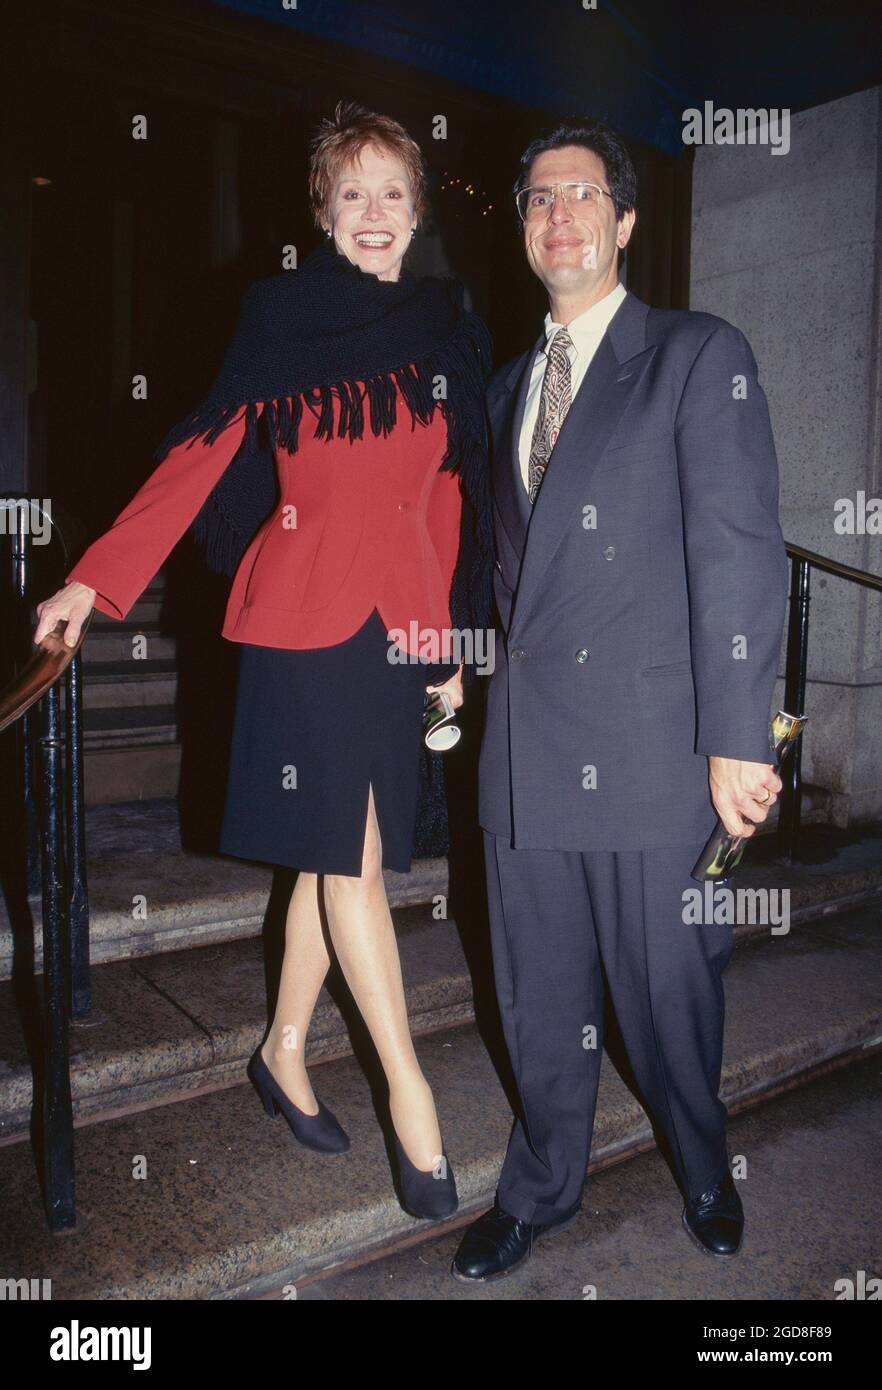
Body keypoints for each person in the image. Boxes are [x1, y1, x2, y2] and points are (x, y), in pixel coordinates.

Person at [34, 100, 493, 1223]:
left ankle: (283, 1050)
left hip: (396, 634)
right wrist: (94, 580)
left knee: (327, 859)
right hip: (301, 632)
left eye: (395, 193)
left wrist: (446, 638)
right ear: (323, 212)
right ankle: (412, 1101)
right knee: (358, 868)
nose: (375, 214)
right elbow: (199, 456)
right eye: (353, 195)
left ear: (418, 209)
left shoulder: (447, 328)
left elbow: (450, 500)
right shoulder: (277, 320)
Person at [452, 116, 789, 1281]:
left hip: (656, 754)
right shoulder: (503, 389)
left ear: (626, 220)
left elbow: (740, 550)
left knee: (668, 1001)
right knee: (538, 1004)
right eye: (538, 198)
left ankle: (704, 1168)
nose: (559, 215)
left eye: (583, 194)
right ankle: (539, 1189)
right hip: (526, 760)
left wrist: (740, 739)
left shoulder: (699, 355)